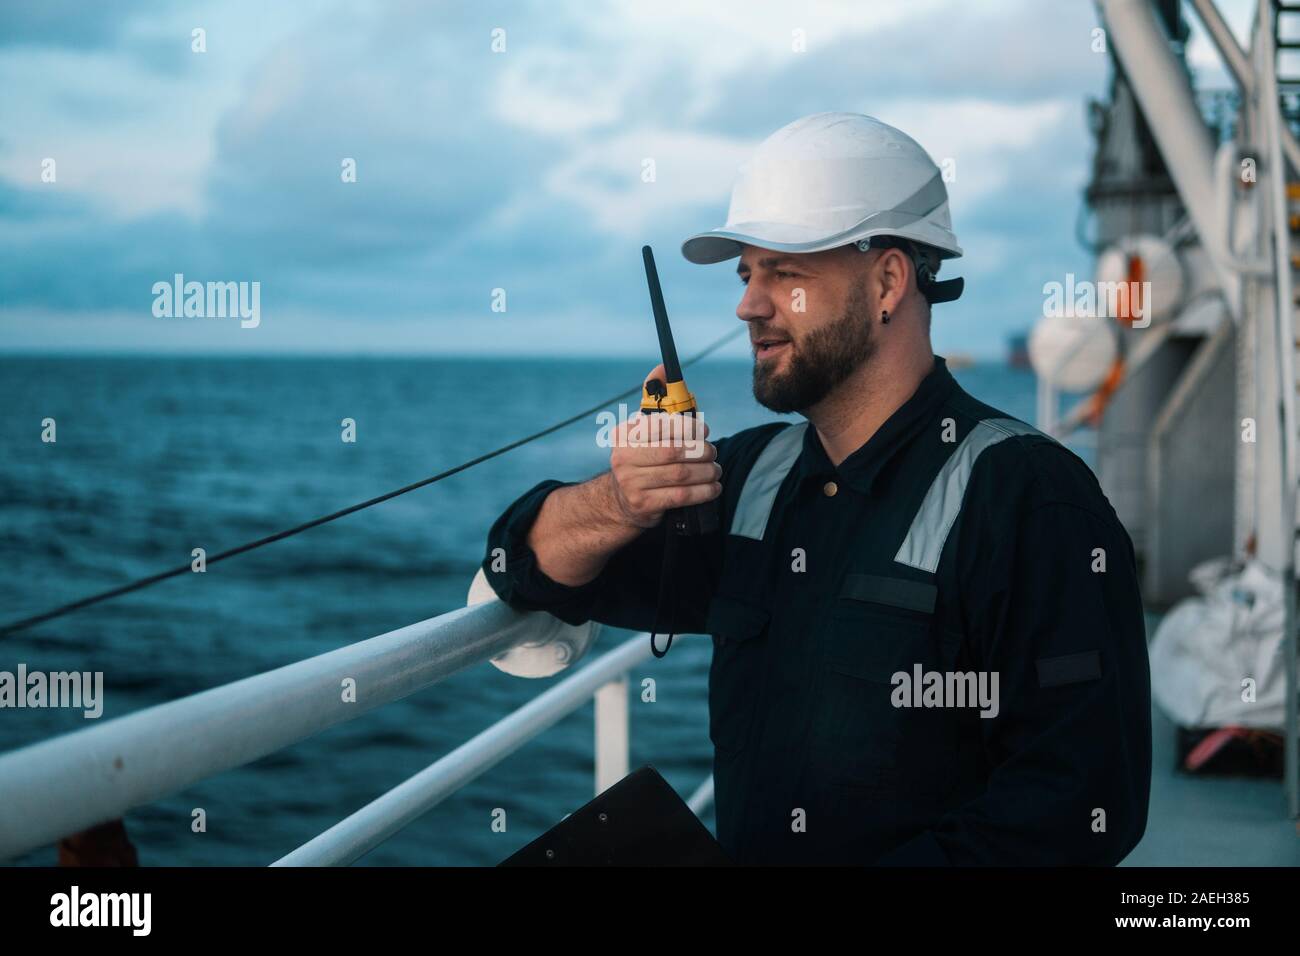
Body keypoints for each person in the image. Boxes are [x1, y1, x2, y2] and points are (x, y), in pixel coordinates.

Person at [482, 112, 1151, 865]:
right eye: (747, 274)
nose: (748, 305)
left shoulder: (1032, 500)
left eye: (786, 274)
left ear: (888, 282)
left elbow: (1084, 803)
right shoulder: (748, 478)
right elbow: (527, 569)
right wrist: (620, 501)